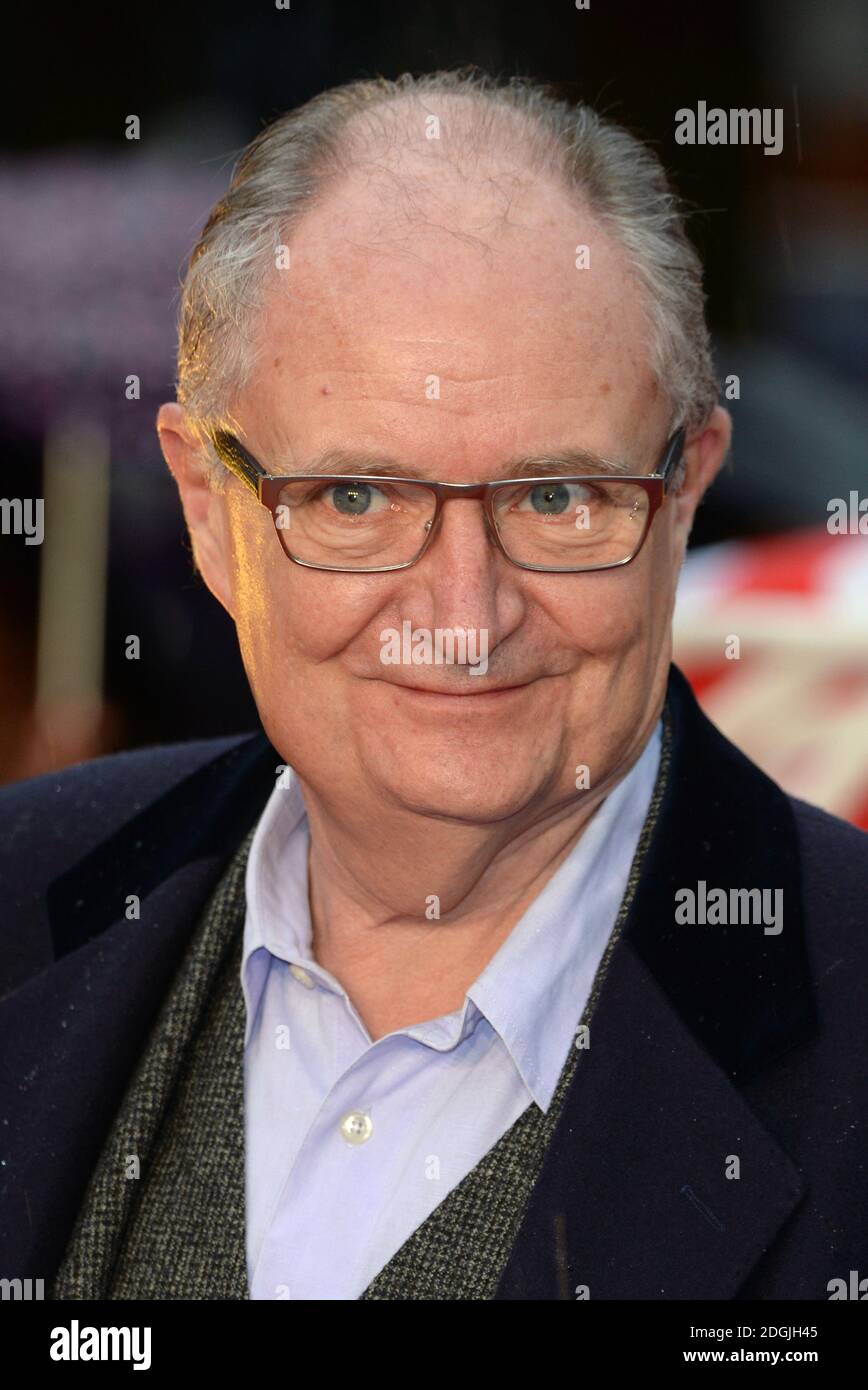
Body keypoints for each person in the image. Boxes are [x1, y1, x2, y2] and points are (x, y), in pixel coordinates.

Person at [1, 70, 865, 1302]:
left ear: (681, 495)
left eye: (558, 498)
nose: (465, 619)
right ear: (207, 509)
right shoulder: (25, 894)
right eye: (356, 497)